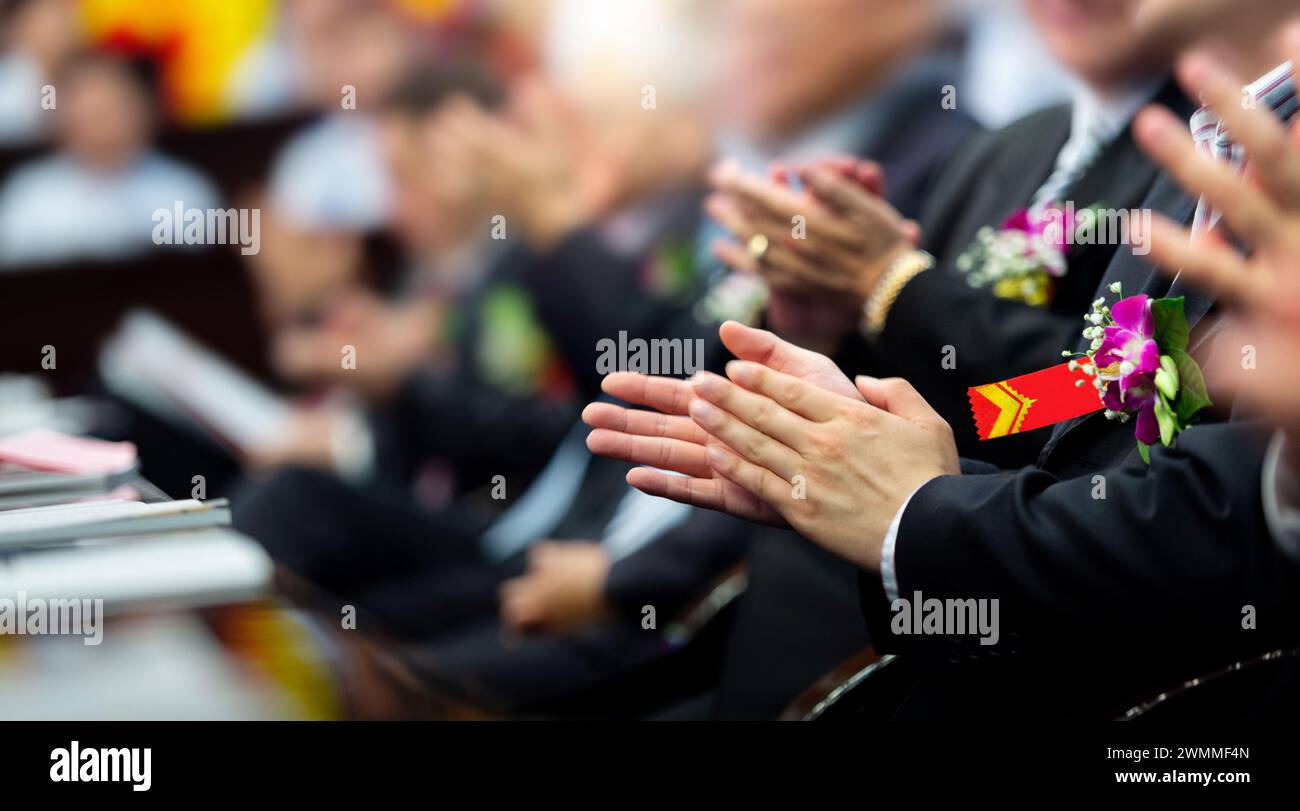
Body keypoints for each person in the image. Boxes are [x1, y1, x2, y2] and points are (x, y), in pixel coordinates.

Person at [584, 13, 1300, 716]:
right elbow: (1098, 394)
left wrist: (895, 293)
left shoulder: (1191, 140)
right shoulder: (1018, 148)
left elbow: (1181, 459)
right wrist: (848, 379)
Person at [0, 51, 220, 267]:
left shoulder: (185, 191)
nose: (102, 125)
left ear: (144, 109)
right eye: (92, 113)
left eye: (112, 108)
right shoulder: (29, 197)